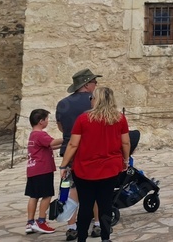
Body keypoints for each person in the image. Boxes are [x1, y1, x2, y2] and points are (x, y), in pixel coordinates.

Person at [59, 87, 131, 242]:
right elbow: (125, 142)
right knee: (105, 205)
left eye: (91, 98)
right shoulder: (119, 118)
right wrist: (125, 160)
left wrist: (63, 165)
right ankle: (105, 238)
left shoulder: (83, 119)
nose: (90, 100)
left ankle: (82, 238)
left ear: (96, 99)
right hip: (110, 168)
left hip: (85, 169)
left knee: (85, 206)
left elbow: (73, 144)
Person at [56, 69, 101, 241]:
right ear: (87, 84)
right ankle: (97, 224)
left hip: (69, 151)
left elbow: (61, 127)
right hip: (91, 150)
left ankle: (71, 227)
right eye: (95, 83)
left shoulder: (62, 103)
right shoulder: (94, 102)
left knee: (70, 189)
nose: (96, 86)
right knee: (96, 188)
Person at [25, 108, 62, 235]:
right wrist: (68, 137)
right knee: (47, 195)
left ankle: (30, 223)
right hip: (43, 169)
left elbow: (50, 146)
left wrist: (66, 143)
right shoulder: (41, 134)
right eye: (47, 119)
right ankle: (41, 221)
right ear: (41, 121)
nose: (48, 121)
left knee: (33, 196)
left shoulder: (33, 134)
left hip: (33, 169)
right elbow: (52, 143)